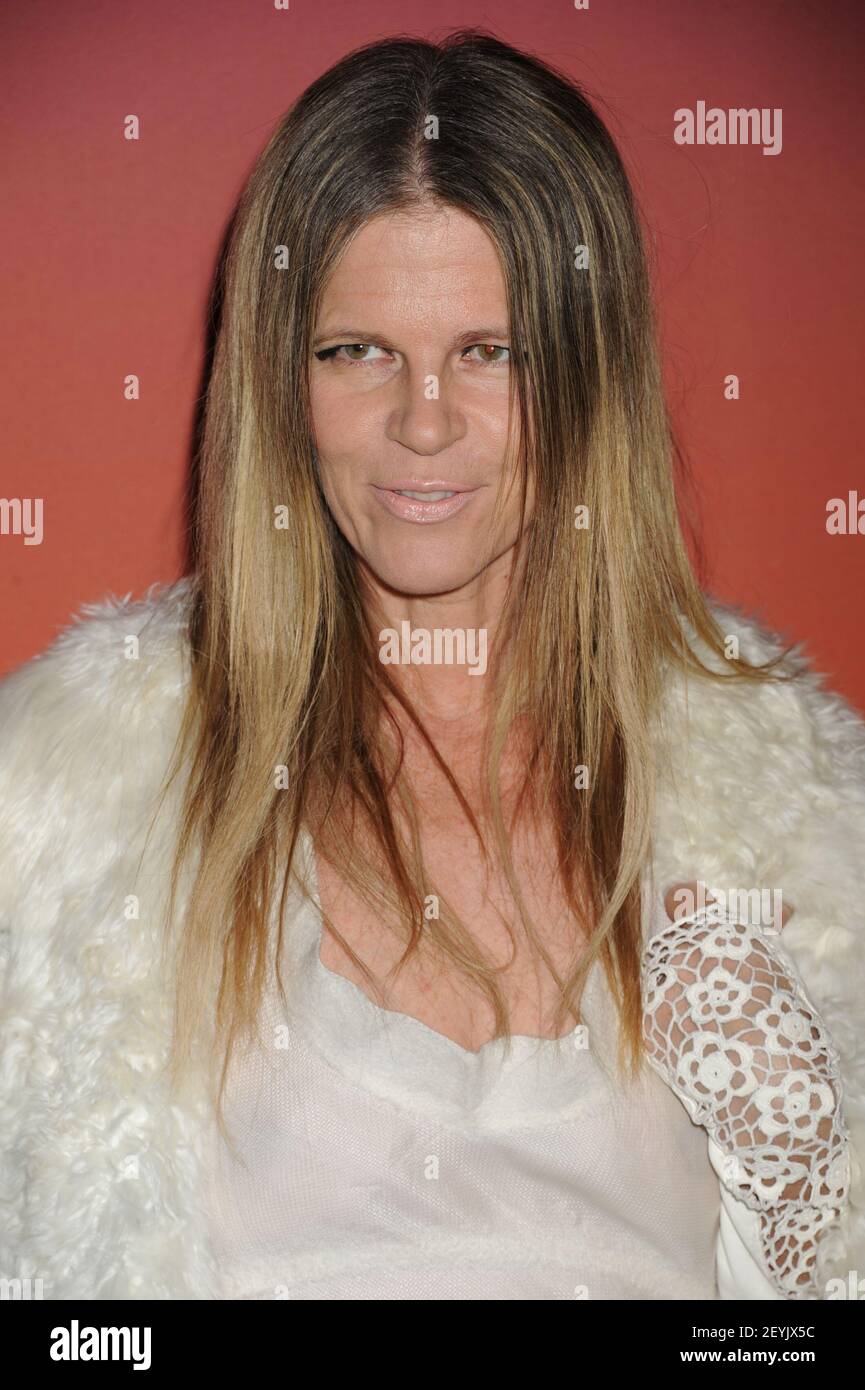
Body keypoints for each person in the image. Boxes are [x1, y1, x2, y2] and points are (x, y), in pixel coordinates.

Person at [0, 29, 862, 1302]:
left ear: (588, 376)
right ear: (279, 380)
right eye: (356, 351)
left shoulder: (788, 805)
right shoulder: (67, 791)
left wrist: (809, 1182)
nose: (422, 420)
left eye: (490, 350)